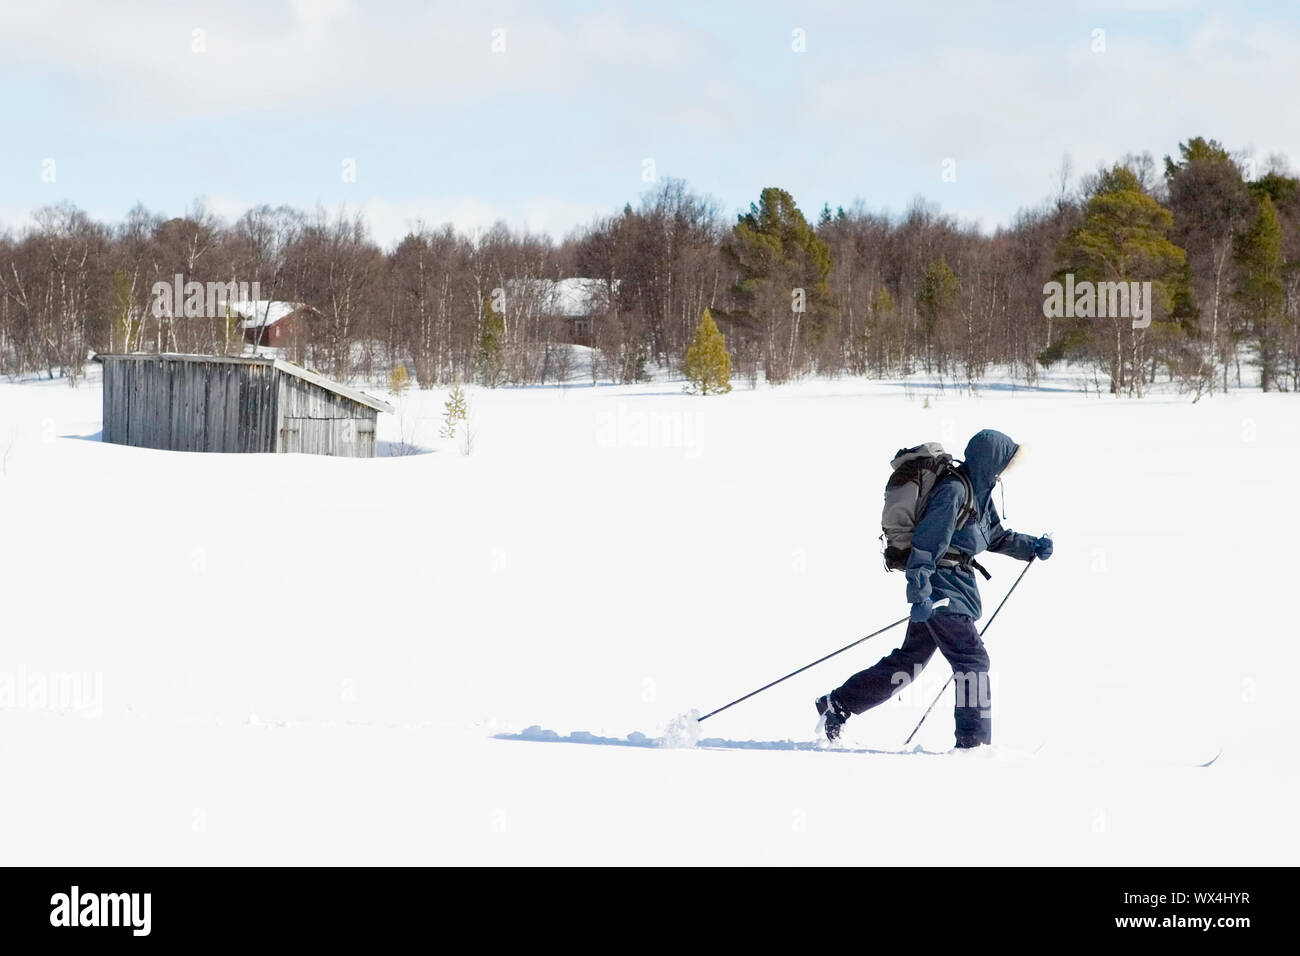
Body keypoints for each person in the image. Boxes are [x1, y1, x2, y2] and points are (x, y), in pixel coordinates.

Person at [815, 429, 1052, 749]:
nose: (1005, 472)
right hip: (941, 589)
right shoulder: (954, 491)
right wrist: (920, 593)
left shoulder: (980, 492)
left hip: (955, 587)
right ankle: (973, 745)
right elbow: (927, 545)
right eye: (1004, 464)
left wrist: (1031, 547)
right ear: (990, 462)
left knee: (908, 663)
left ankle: (838, 704)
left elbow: (995, 536)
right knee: (972, 660)